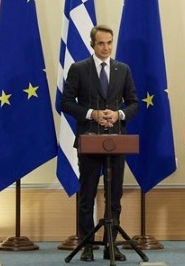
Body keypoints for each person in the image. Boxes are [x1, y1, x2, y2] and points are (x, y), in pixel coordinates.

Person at [61, 24, 138, 262]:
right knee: (87, 195)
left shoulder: (122, 69)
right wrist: (91, 114)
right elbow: (66, 103)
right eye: (101, 43)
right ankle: (87, 245)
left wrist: (119, 114)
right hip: (89, 140)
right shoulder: (79, 69)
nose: (106, 48)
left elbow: (134, 103)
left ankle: (110, 245)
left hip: (116, 141)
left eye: (109, 43)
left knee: (114, 196)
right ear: (92, 44)